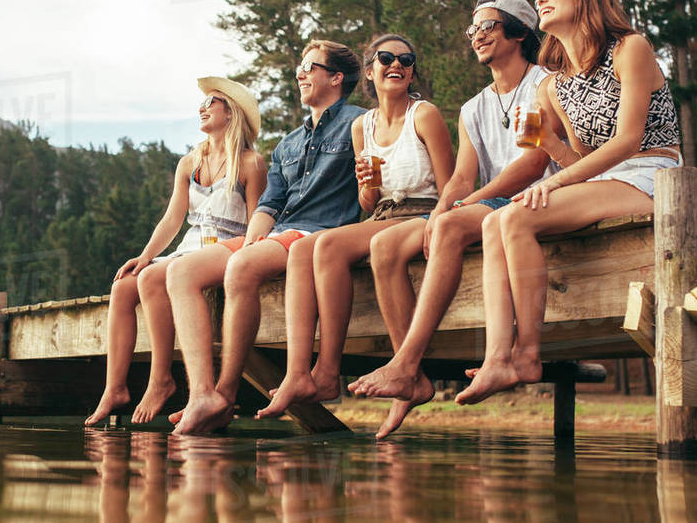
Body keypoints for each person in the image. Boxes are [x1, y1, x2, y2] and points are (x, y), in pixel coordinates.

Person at [455, 0, 681, 404]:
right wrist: (549, 144)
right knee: (494, 223)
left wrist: (556, 186)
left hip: (653, 172)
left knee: (515, 217)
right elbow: (580, 161)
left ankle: (526, 354)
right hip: (606, 180)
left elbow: (629, 141)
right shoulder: (553, 88)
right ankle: (499, 357)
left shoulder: (630, 49)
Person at [347, 0, 559, 437]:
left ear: (519, 32)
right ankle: (407, 368)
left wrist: (464, 205)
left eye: (487, 27)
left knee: (449, 223)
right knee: (423, 230)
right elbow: (460, 178)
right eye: (472, 30)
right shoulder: (474, 107)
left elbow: (534, 162)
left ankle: (406, 364)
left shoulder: (544, 84)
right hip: (494, 205)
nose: (476, 36)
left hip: (541, 199)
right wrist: (446, 207)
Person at [166, 40, 366, 435]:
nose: (301, 74)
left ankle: (225, 391)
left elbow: (368, 190)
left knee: (241, 266)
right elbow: (269, 205)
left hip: (320, 233)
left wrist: (254, 251)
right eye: (300, 70)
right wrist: (255, 239)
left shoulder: (359, 123)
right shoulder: (289, 143)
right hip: (278, 233)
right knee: (181, 272)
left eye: (311, 68)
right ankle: (201, 393)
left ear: (336, 77)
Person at [256, 34, 454, 420]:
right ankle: (322, 372)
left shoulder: (425, 114)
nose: (396, 64)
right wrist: (368, 184)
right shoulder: (362, 126)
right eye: (386, 58)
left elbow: (450, 186)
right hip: (381, 216)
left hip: (425, 212)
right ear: (370, 71)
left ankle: (408, 370)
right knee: (313, 247)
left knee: (374, 247)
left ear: (411, 73)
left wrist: (439, 224)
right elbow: (367, 203)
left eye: (405, 59)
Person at [85, 78, 267, 425]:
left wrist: (251, 255)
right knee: (125, 284)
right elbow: (173, 219)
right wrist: (144, 254)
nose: (202, 107)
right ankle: (115, 388)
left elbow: (260, 216)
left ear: (231, 113)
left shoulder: (250, 163)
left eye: (211, 102)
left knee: (154, 277)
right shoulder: (190, 162)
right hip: (190, 245)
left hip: (232, 245)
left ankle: (161, 380)